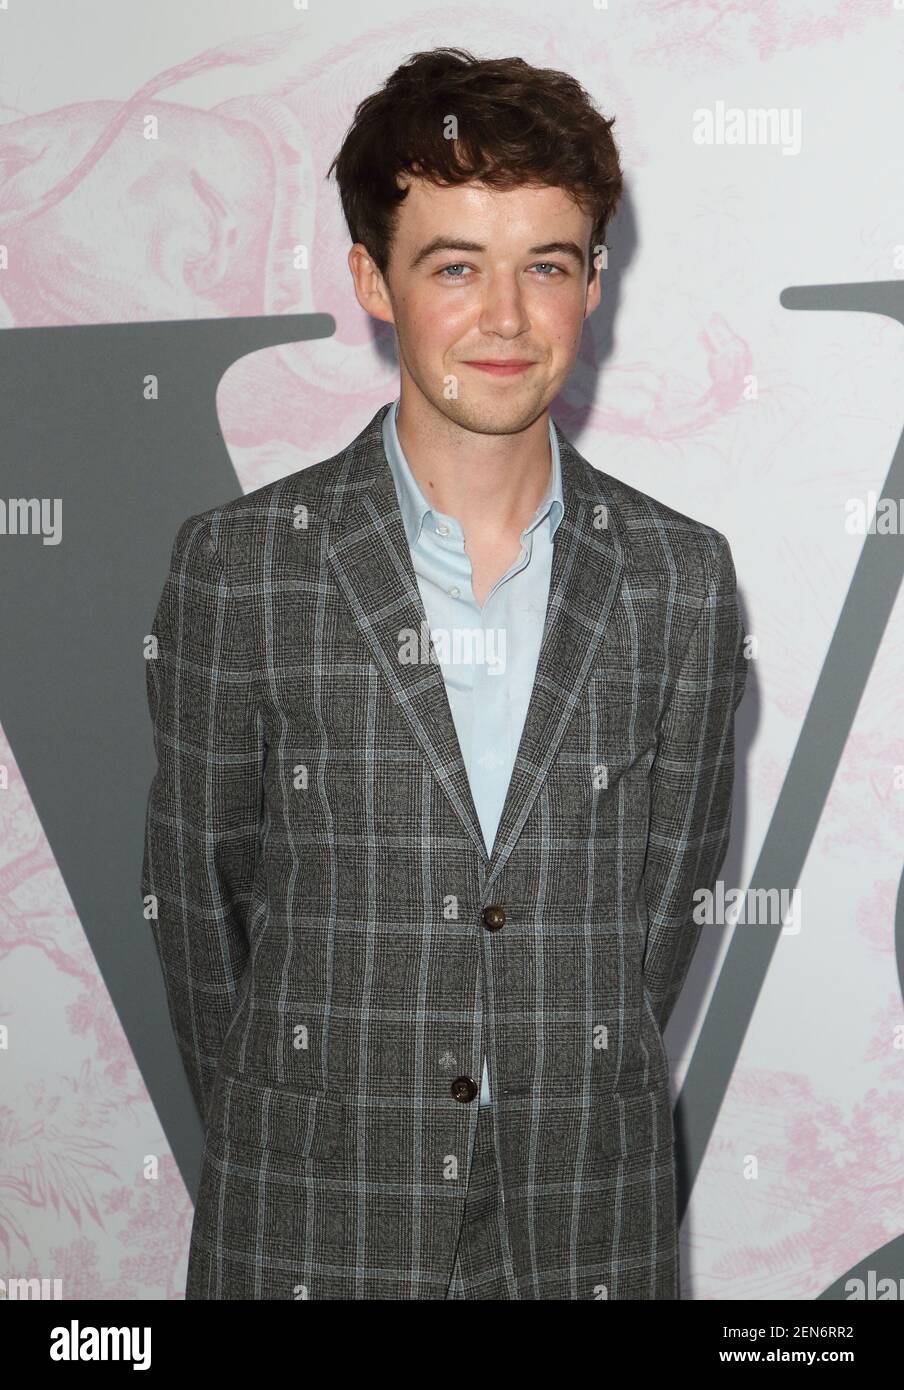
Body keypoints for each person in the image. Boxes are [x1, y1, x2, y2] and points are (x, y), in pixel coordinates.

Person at [142, 46, 748, 1300]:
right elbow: (204, 920)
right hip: (309, 1217)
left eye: (547, 264)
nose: (507, 320)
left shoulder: (680, 579)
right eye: (455, 266)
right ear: (374, 279)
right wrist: (301, 1124)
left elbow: (661, 914)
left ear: (594, 281)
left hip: (585, 1223)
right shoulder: (241, 568)